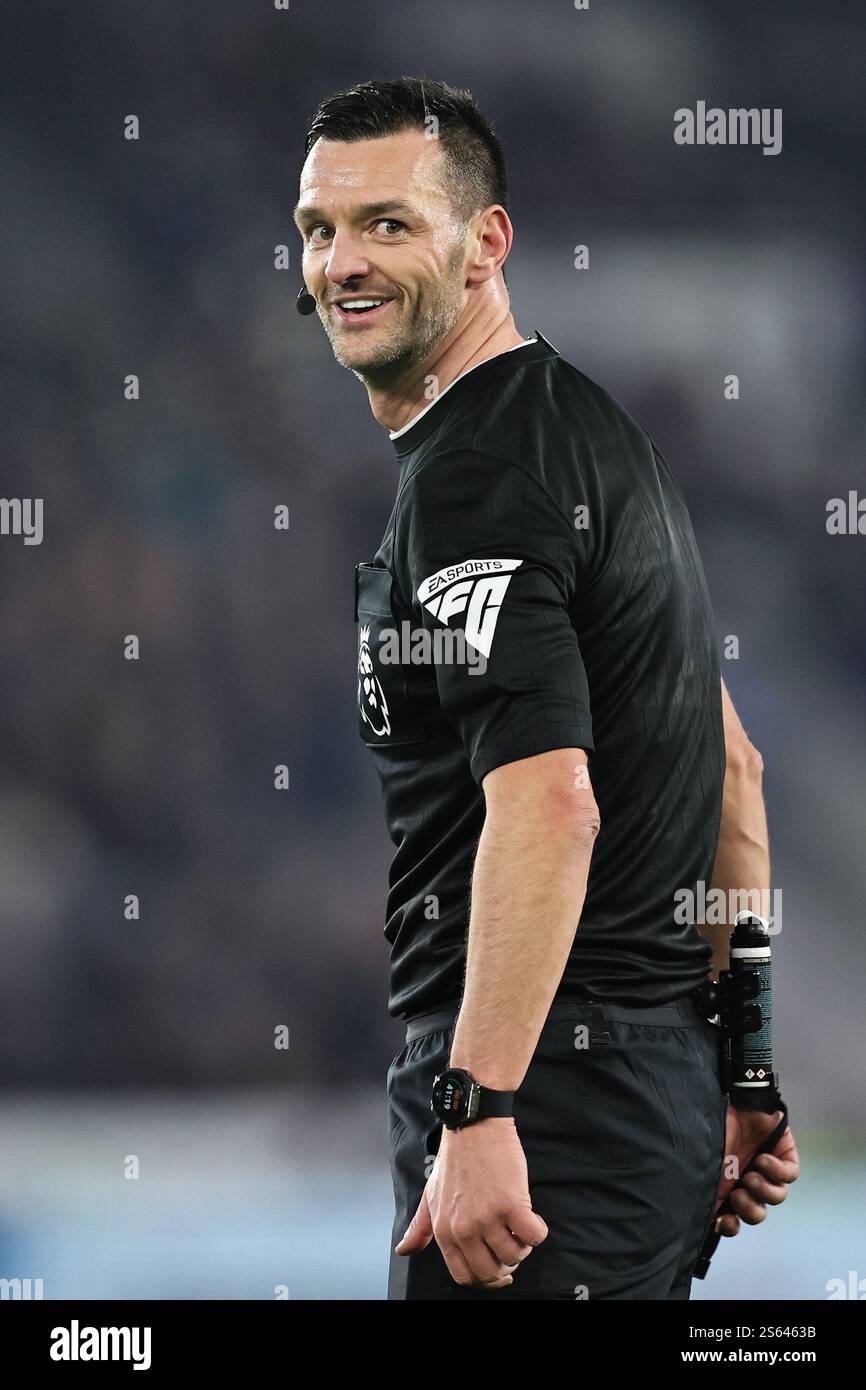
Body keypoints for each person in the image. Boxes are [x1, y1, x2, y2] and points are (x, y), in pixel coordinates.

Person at [293, 75, 799, 1299]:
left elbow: (549, 804)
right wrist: (743, 1064)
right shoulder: (599, 441)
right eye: (318, 228)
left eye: (388, 224)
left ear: (485, 244)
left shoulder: (477, 473)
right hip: (638, 1095)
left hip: (544, 1107)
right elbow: (727, 767)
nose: (340, 263)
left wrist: (476, 1108)